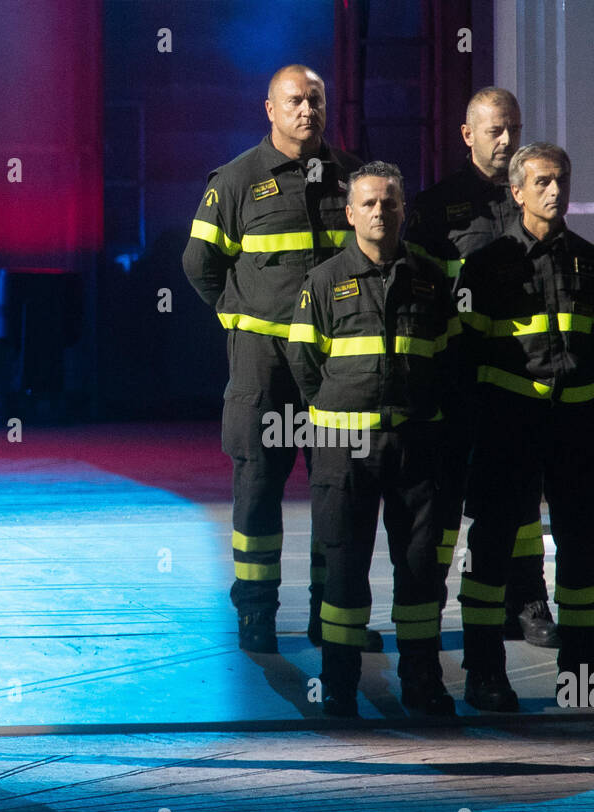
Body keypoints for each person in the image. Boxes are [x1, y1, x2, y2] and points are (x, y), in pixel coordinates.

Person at [183, 65, 360, 654]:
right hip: (266, 365)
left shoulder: (352, 179)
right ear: (270, 110)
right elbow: (199, 264)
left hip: (336, 367)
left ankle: (329, 616)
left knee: (338, 488)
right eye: (293, 101)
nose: (306, 110)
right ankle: (257, 612)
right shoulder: (235, 181)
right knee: (258, 485)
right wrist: (240, 317)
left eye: (315, 99)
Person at [288, 162, 457, 717]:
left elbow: (448, 356)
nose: (380, 211)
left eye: (389, 202)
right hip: (344, 450)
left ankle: (422, 682)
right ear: (350, 212)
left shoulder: (431, 278)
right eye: (368, 203)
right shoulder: (323, 281)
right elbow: (304, 362)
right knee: (344, 567)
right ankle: (339, 683)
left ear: (403, 209)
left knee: (418, 569)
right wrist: (343, 408)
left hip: (414, 445)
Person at [454, 143, 594, 709]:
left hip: (574, 422)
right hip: (508, 421)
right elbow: (463, 358)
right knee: (491, 547)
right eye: (543, 181)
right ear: (517, 192)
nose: (555, 191)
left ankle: (583, 672)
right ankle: (484, 672)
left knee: (579, 548)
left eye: (562, 180)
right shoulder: (486, 265)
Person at [405, 89, 558, 648]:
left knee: (520, 496)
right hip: (458, 376)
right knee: (447, 498)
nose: (507, 140)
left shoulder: (533, 196)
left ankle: (529, 597)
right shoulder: (435, 208)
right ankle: (436, 602)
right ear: (467, 134)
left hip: (519, 377)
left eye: (513, 128)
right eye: (494, 130)